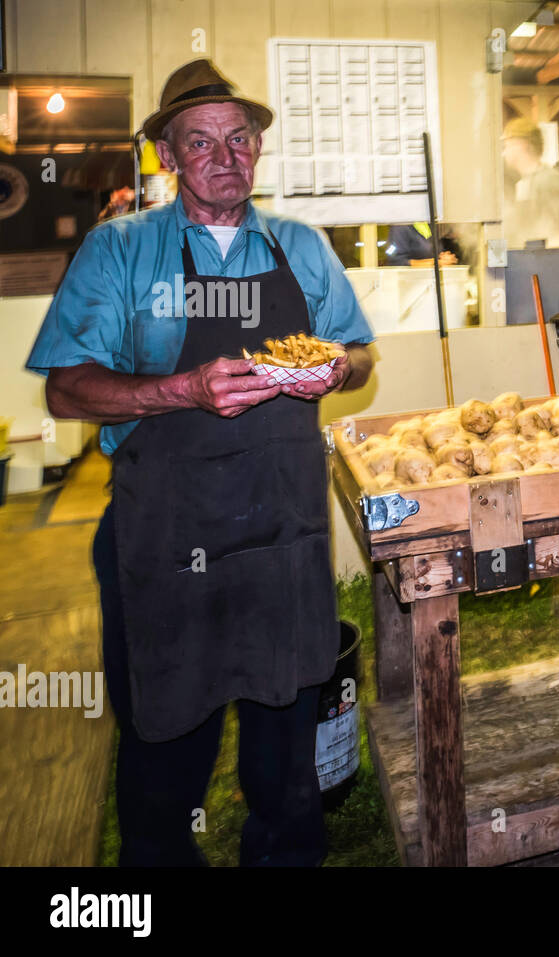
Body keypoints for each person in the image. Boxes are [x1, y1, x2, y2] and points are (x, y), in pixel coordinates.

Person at [25, 58, 375, 866]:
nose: (226, 156)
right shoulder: (122, 252)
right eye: (200, 141)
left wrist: (336, 368)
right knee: (163, 758)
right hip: (165, 540)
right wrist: (181, 389)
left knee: (286, 760)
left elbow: (358, 356)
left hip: (282, 539)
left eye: (240, 138)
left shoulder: (301, 247)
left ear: (257, 147)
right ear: (168, 156)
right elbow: (68, 392)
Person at [501, 117, 559, 248]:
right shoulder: (523, 183)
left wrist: (539, 254)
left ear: (522, 144)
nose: (504, 153)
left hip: (547, 264)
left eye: (507, 145)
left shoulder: (549, 179)